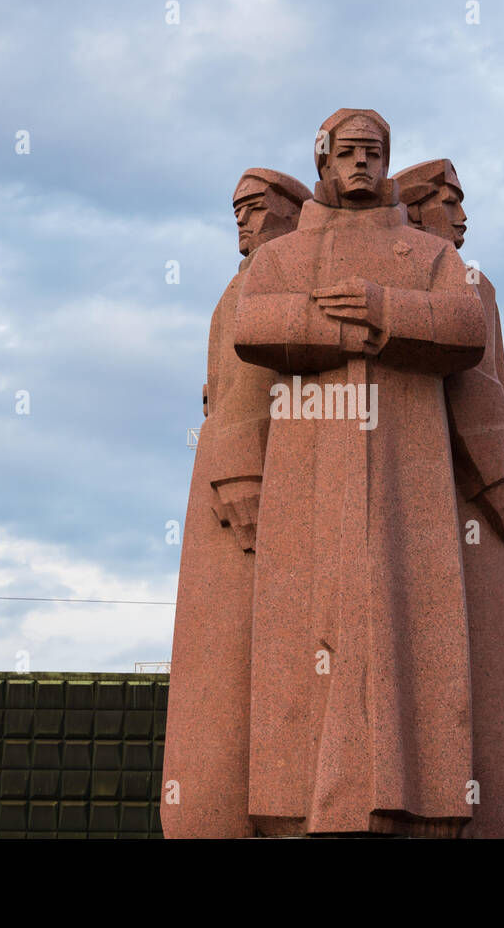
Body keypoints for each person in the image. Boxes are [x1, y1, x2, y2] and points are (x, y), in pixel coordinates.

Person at [233, 109, 487, 836]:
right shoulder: (285, 257)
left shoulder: (426, 256)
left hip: (412, 485)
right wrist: (342, 328)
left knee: (409, 629)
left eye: (374, 154)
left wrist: (384, 310)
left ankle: (424, 795)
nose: (362, 166)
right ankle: (302, 801)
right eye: (348, 154)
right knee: (308, 632)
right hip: (306, 482)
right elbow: (253, 326)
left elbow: (466, 329)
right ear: (323, 162)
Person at [394, 158, 504, 838]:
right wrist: (501, 474)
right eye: (450, 202)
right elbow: (479, 387)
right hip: (464, 503)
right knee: (484, 662)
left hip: (424, 498)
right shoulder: (463, 284)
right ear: (420, 211)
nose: (462, 216)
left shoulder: (419, 288)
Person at [161, 168, 311, 839]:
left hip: (243, 484)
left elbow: (252, 387)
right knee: (226, 657)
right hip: (232, 487)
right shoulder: (251, 280)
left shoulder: (272, 276)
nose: (242, 224)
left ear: (289, 213)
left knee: (245, 654)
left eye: (253, 210)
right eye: (237, 212)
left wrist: (239, 472)